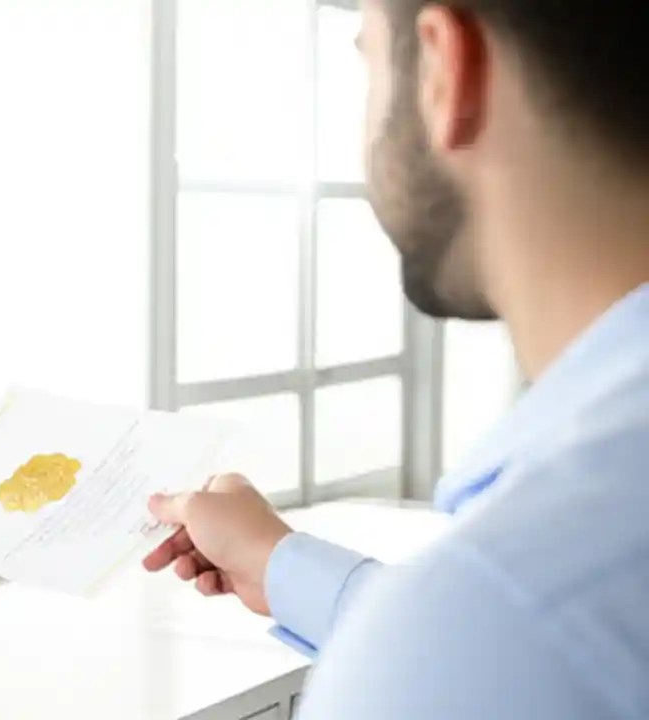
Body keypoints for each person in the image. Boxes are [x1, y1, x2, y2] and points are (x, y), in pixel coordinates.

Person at [145, 1, 649, 718]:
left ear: (446, 70)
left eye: (368, 59)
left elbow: (488, 644)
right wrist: (283, 565)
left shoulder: (493, 626)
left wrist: (420, 630)